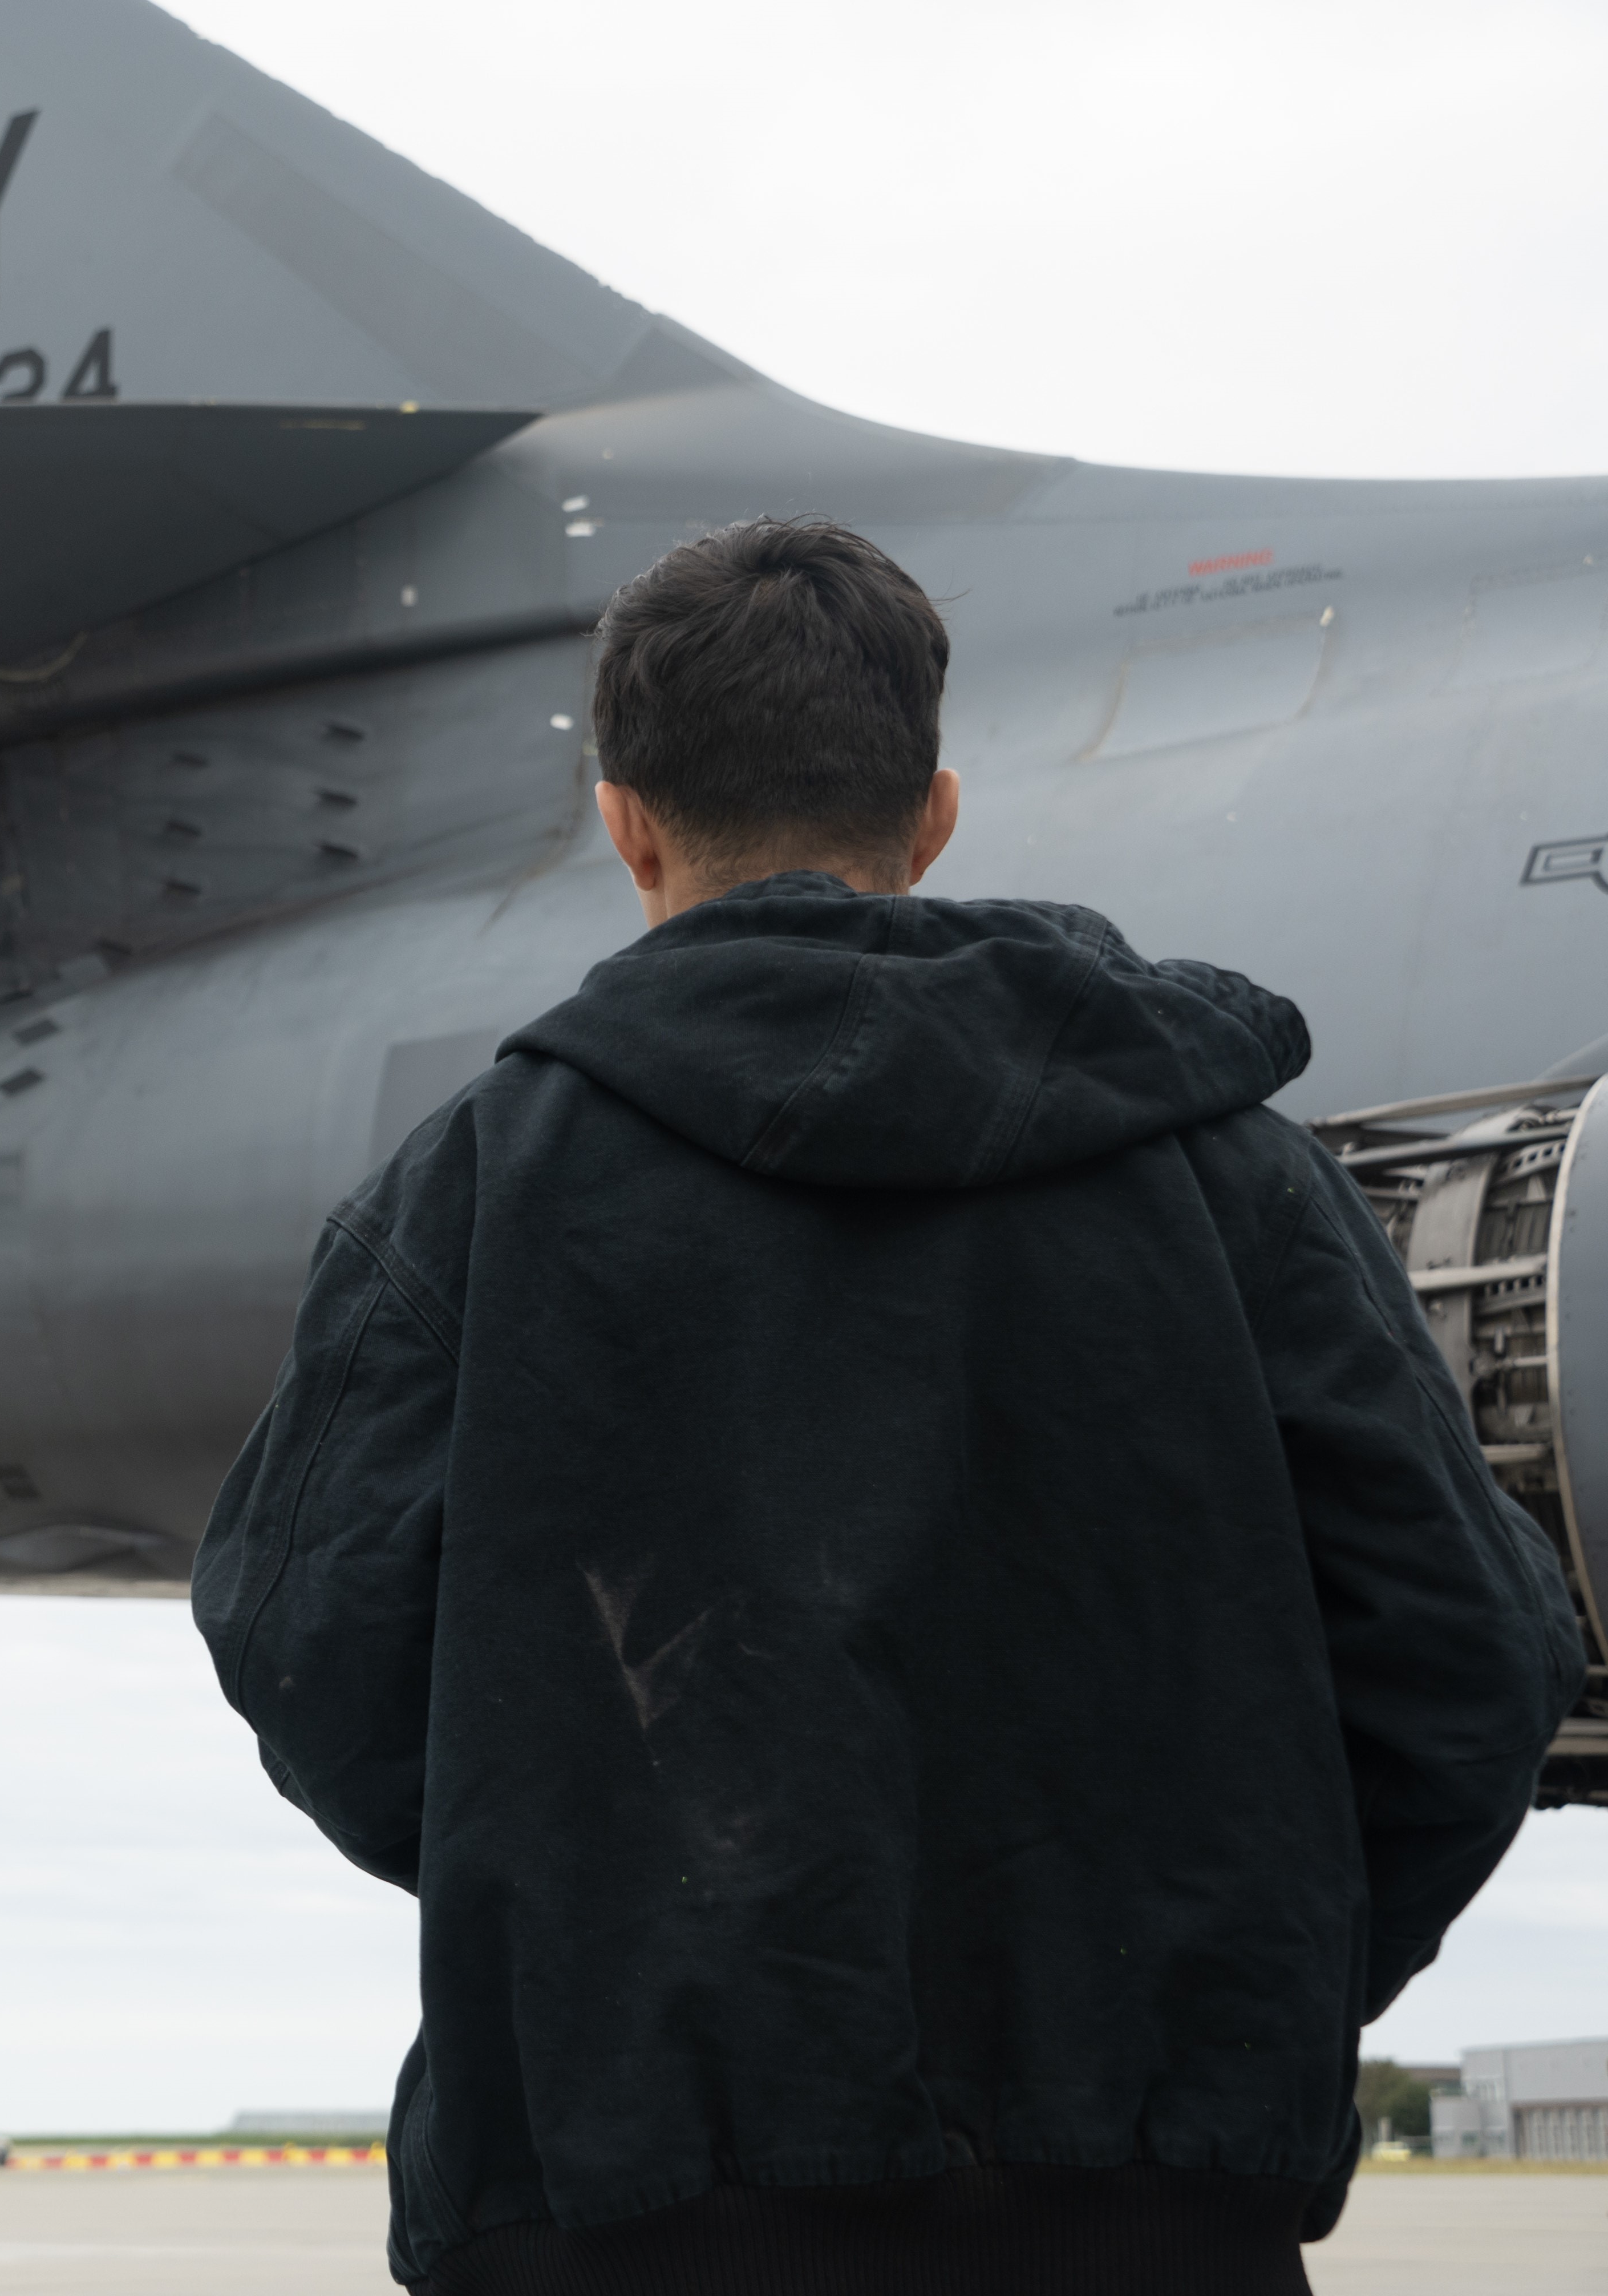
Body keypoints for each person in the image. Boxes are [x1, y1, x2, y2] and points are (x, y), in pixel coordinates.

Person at [192, 519, 1585, 2295]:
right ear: (930, 814)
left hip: (615, 2209)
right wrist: (1226, 1988)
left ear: (623, 822)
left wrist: (599, 1905)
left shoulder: (468, 1192)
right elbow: (1476, 1657)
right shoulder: (1234, 1179)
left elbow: (303, 1643)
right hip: (1154, 2215)